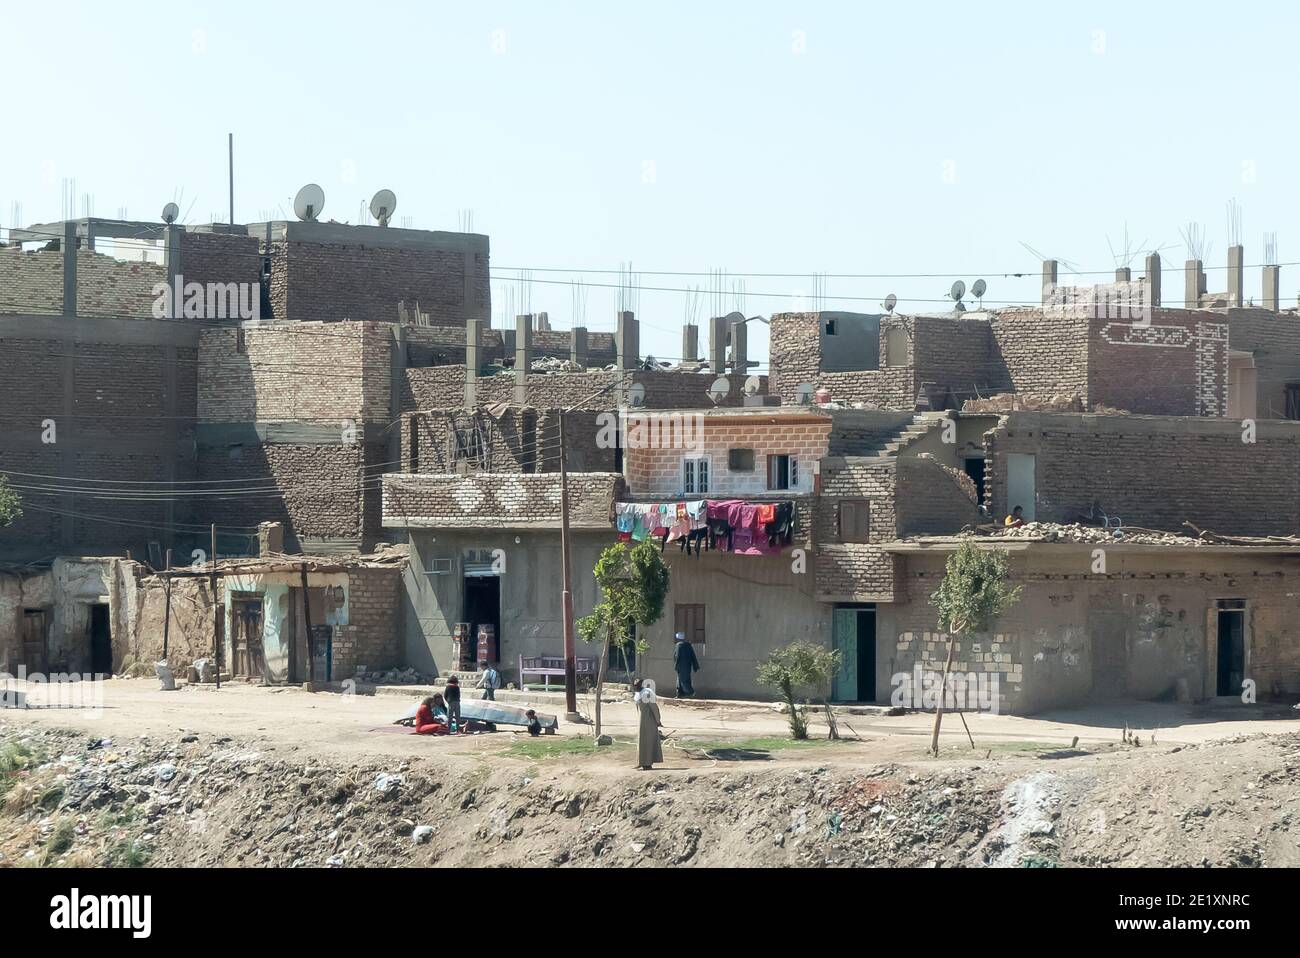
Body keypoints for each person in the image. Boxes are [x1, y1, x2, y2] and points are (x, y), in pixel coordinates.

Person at [634, 679, 664, 769]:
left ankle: (647, 763)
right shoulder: (638, 694)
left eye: (637, 685)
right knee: (644, 741)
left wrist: (657, 720)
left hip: (649, 720)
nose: (636, 687)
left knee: (648, 741)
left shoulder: (647, 693)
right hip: (643, 720)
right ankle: (643, 761)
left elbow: (654, 708)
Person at [673, 632, 700, 698]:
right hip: (688, 666)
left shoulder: (679, 645)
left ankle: (691, 692)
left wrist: (676, 666)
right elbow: (693, 656)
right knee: (682, 680)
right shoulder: (688, 645)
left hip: (681, 666)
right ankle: (680, 694)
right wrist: (695, 665)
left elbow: (677, 656)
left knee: (683, 680)